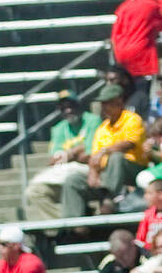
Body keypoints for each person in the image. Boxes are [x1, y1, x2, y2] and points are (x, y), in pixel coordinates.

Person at [61, 85, 146, 220]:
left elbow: (129, 143)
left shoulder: (132, 119)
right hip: (107, 174)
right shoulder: (102, 128)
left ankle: (109, 199)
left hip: (133, 170)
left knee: (116, 157)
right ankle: (73, 225)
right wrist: (92, 173)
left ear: (119, 102)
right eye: (102, 104)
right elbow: (94, 156)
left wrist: (106, 150)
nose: (104, 107)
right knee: (73, 180)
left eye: (107, 103)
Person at [25, 92, 101, 223]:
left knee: (70, 180)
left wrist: (67, 154)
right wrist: (75, 152)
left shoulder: (92, 120)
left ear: (78, 105)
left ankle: (75, 220)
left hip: (87, 169)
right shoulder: (58, 128)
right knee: (33, 191)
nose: (68, 110)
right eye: (64, 107)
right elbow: (53, 159)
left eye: (71, 106)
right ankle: (70, 221)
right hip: (63, 170)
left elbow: (89, 154)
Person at [110, 0, 162, 118]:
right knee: (143, 92)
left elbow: (114, 36)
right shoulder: (150, 5)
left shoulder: (122, 8)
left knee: (129, 91)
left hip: (122, 54)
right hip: (142, 53)